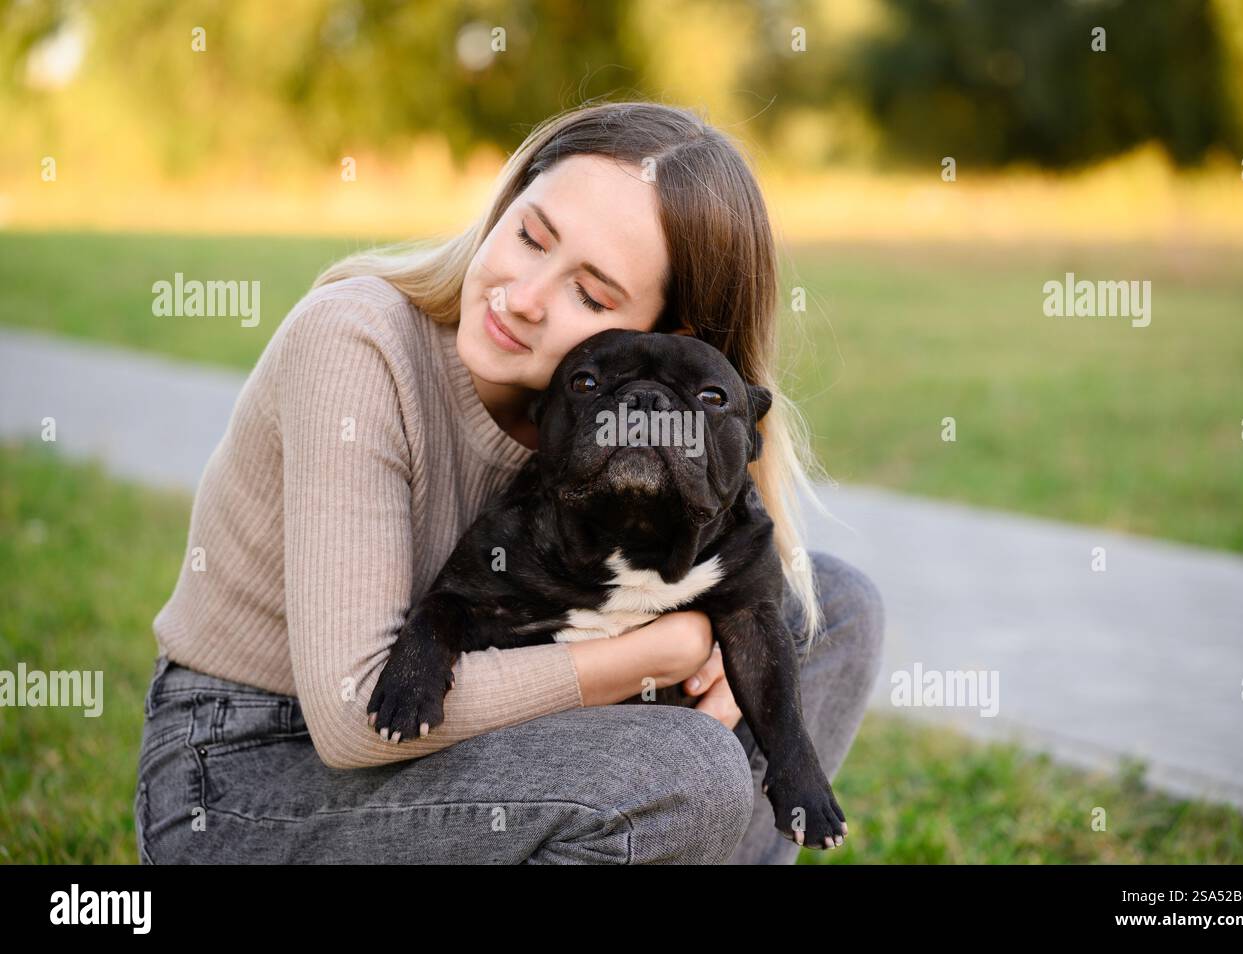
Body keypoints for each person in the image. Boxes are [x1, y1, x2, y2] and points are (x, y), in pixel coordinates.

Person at [134, 99, 885, 865]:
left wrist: (735, 647)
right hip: (253, 775)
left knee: (835, 608)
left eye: (590, 296)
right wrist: (665, 649)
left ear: (669, 344)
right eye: (530, 236)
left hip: (467, 743)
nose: (522, 298)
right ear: (505, 204)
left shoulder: (641, 433)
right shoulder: (356, 343)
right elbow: (353, 717)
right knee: (685, 772)